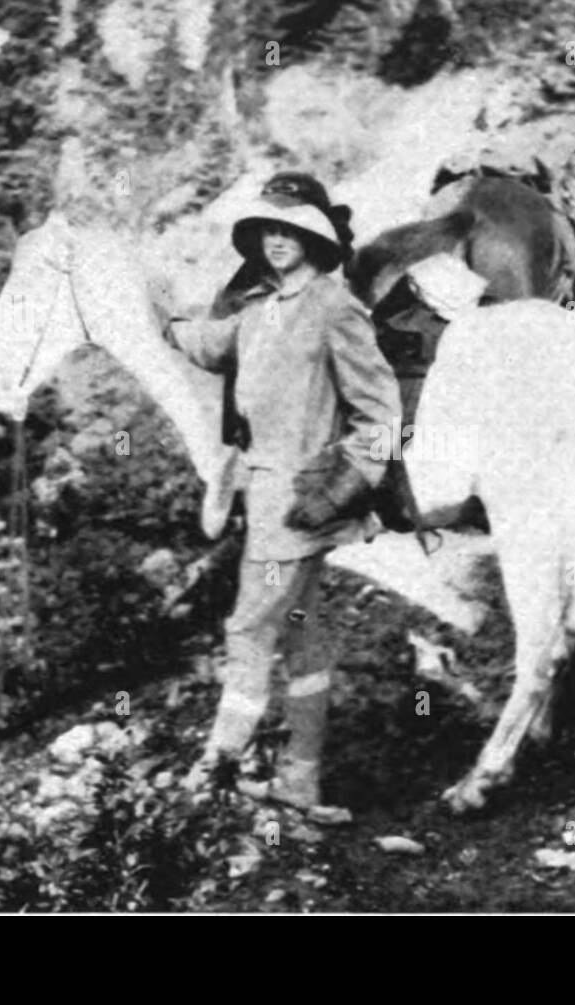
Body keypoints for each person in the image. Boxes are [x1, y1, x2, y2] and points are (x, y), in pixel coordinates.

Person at [169, 176, 402, 809]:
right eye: (268, 229)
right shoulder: (257, 309)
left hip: (300, 503)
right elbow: (208, 344)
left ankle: (215, 772)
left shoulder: (334, 306)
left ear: (313, 238)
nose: (276, 240)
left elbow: (381, 416)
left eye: (290, 230)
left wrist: (345, 486)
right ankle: (300, 780)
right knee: (302, 635)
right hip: (264, 497)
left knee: (248, 630)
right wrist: (156, 316)